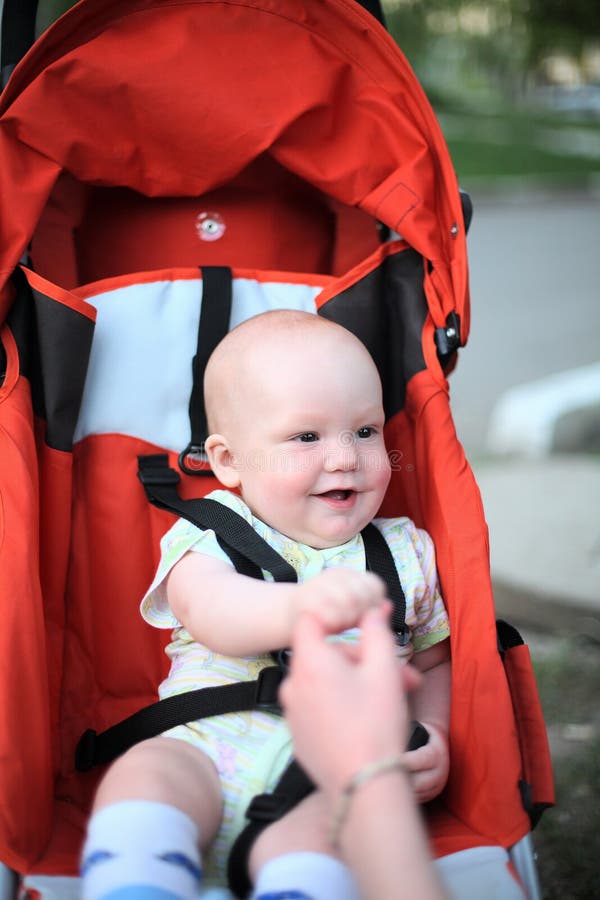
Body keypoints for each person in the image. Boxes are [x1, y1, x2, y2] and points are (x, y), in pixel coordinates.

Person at [80, 310, 451, 900]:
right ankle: (138, 884)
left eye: (365, 431)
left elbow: (434, 662)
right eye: (306, 437)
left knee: (327, 840)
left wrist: (432, 728)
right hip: (203, 747)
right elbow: (212, 610)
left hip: (328, 777)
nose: (344, 458)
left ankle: (296, 887)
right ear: (229, 462)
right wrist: (301, 610)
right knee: (143, 778)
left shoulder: (406, 554)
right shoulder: (211, 538)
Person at [279, 603, 448, 900]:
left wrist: (434, 729)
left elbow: (432, 662)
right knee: (169, 777)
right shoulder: (205, 557)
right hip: (213, 743)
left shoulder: (409, 562)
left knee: (321, 840)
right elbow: (204, 608)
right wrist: (310, 601)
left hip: (330, 787)